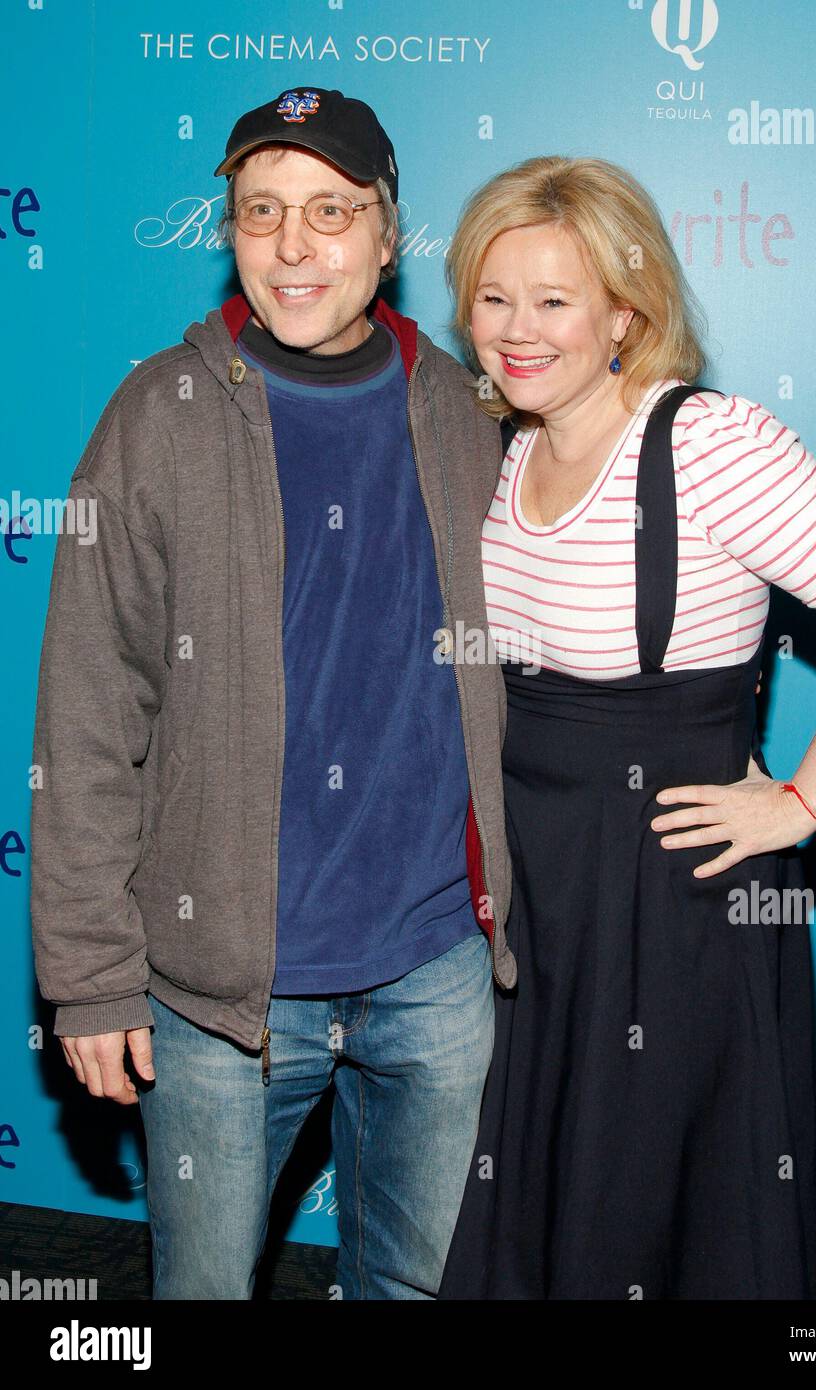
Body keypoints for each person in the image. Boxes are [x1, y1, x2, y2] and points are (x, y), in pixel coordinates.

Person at [29, 87, 516, 1300]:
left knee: (419, 1289)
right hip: (218, 992)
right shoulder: (160, 414)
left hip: (435, 966)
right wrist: (90, 975)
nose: (293, 246)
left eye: (329, 212)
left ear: (388, 234)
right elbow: (89, 714)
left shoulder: (468, 415)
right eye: (261, 212)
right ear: (230, 232)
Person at [436, 155, 816, 1300]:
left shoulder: (705, 442)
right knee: (539, 1192)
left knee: (652, 1205)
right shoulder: (512, 443)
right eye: (492, 296)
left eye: (553, 300)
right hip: (540, 888)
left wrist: (801, 801)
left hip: (663, 894)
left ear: (627, 310)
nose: (517, 330)